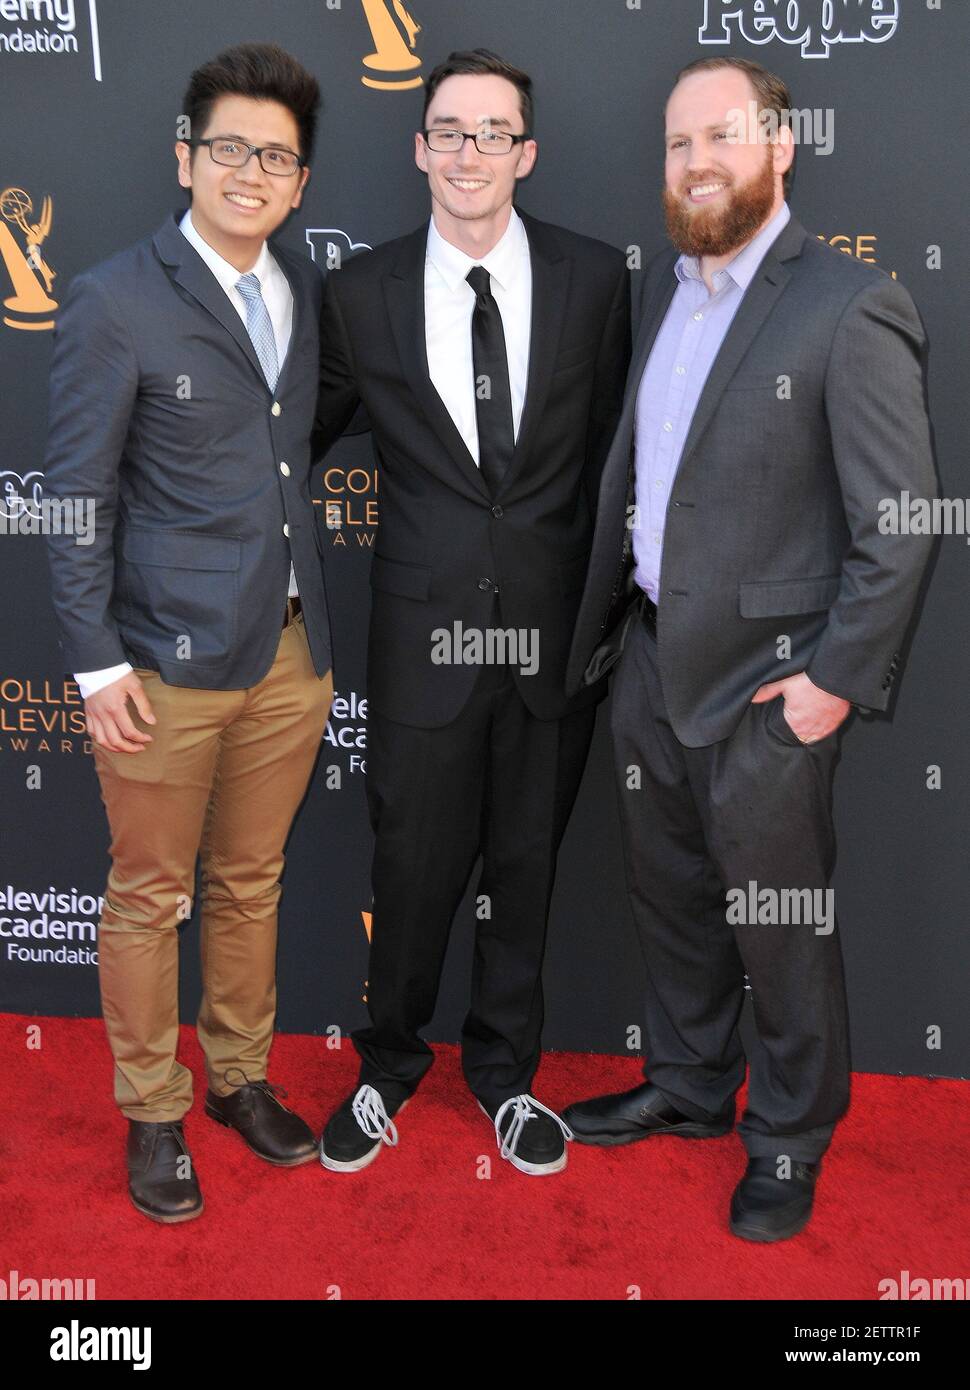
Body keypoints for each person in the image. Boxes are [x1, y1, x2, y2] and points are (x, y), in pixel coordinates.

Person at [563, 57, 936, 1240]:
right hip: (651, 661)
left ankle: (785, 1132)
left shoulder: (845, 301)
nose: (695, 162)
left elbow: (901, 524)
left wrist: (827, 687)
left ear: (782, 144)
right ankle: (686, 1086)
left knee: (778, 927)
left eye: (720, 136)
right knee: (668, 902)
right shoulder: (674, 294)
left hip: (771, 691)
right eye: (675, 144)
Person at [312, 49, 630, 1176]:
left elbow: (609, 456)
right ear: (418, 147)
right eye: (448, 130)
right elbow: (294, 438)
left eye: (493, 132)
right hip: (421, 645)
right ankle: (385, 1068)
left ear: (525, 154)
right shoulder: (359, 293)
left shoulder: (596, 281)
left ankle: (504, 1076)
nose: (468, 152)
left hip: (551, 646)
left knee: (527, 869)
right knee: (409, 872)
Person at [43, 43, 335, 1223]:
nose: (250, 171)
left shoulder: (298, 288)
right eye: (229, 148)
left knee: (251, 880)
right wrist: (95, 656)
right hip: (161, 660)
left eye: (274, 156)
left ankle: (241, 1078)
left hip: (291, 649)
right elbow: (75, 490)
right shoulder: (116, 295)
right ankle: (155, 1109)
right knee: (150, 890)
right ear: (185, 156)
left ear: (301, 181)